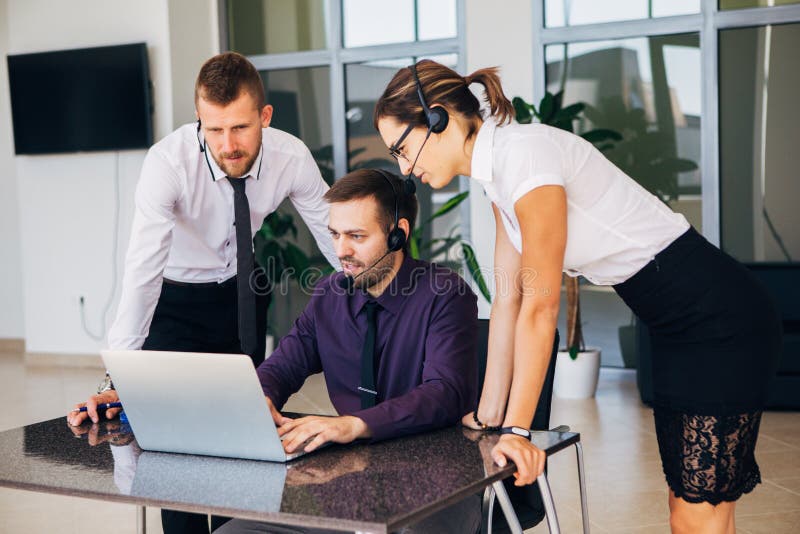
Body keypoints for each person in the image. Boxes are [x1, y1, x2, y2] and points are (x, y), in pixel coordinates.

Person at [372, 59, 782, 534]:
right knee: (689, 507)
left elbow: (541, 306)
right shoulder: (497, 177)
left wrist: (518, 431)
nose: (405, 168)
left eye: (402, 149)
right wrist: (489, 414)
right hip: (673, 326)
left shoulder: (525, 158)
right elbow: (508, 300)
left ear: (437, 117)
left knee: (698, 513)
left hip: (719, 319)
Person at [67, 51, 339, 533]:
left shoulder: (291, 157)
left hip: (241, 298)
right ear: (199, 119)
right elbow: (142, 271)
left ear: (265, 116)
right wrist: (115, 376)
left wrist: (382, 296)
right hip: (174, 302)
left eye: (240, 128)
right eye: (214, 130)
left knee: (243, 435)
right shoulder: (167, 164)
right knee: (177, 454)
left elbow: (335, 238)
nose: (227, 145)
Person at [214, 169, 481, 534]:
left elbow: (444, 393)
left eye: (356, 236)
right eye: (335, 234)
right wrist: (260, 396)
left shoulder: (445, 294)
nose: (341, 251)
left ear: (398, 233)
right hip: (348, 479)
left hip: (440, 478)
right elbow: (284, 365)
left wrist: (354, 424)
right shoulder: (329, 295)